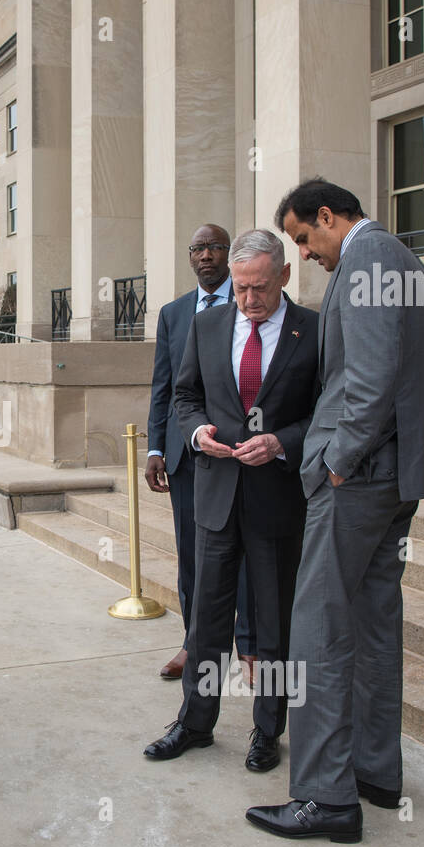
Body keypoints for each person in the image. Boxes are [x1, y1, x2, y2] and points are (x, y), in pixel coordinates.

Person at [246, 179, 424, 843]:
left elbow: (369, 377)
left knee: (319, 631)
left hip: (358, 479)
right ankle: (373, 771)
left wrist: (336, 460)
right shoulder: (404, 258)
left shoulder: (366, 258)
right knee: (373, 620)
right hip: (398, 475)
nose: (303, 253)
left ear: (329, 217)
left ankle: (324, 797)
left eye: (305, 238)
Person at [143, 230, 319, 772]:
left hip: (276, 503)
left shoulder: (313, 331)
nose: (249, 300)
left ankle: (268, 730)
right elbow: (185, 395)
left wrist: (281, 442)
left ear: (285, 276)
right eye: (241, 289)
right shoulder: (206, 323)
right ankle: (195, 723)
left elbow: (323, 413)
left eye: (260, 288)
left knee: (272, 625)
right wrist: (196, 435)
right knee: (207, 620)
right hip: (216, 496)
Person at [146, 224, 257, 683]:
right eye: (197, 249)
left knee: (249, 554)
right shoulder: (173, 313)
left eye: (214, 247)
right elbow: (165, 385)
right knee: (192, 555)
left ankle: (250, 647)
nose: (205, 256)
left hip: (239, 454)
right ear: (189, 257)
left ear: (228, 255)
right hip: (188, 457)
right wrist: (156, 445)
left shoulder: (251, 301)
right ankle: (194, 643)